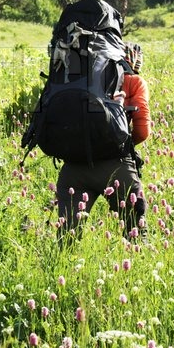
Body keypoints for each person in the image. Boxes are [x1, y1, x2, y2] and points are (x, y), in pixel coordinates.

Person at [55, 41, 151, 241]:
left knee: (66, 240)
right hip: (116, 167)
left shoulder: (77, 79)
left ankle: (58, 271)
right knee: (135, 237)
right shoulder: (133, 81)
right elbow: (142, 131)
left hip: (73, 168)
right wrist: (119, 141)